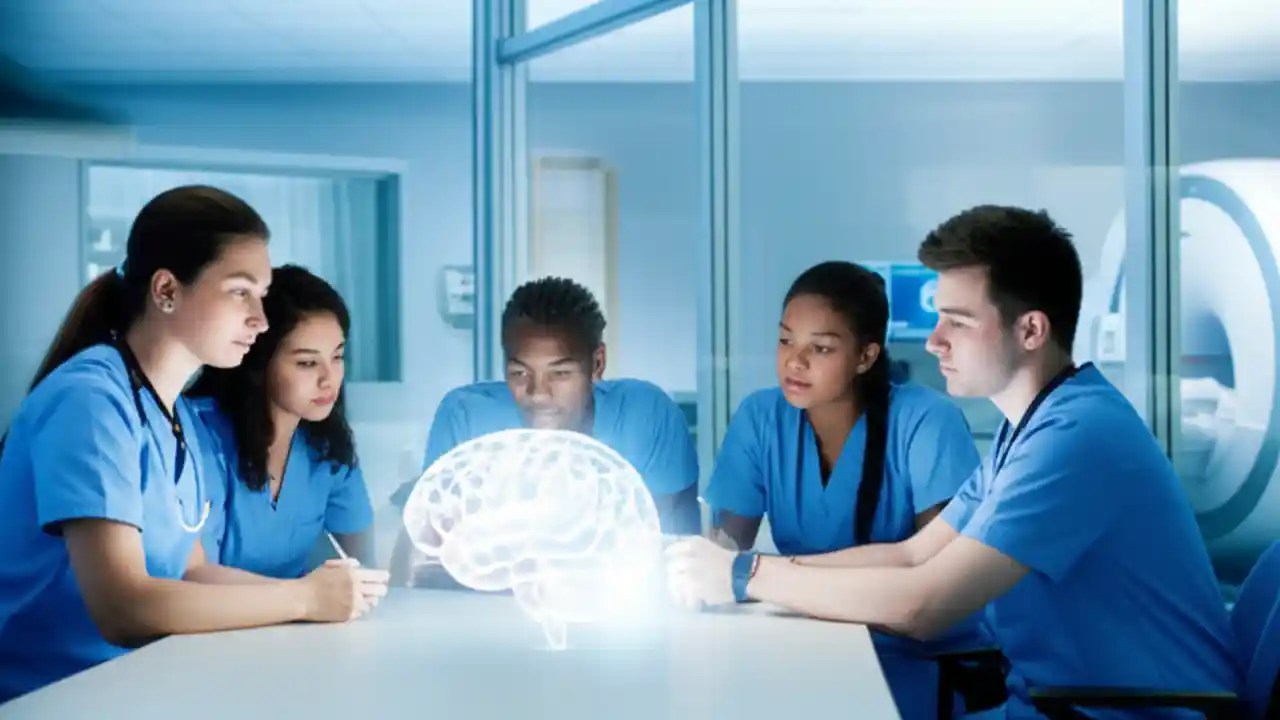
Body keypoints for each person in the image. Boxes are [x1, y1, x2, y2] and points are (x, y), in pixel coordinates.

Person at [667, 205, 1240, 718]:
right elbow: (911, 553)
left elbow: (926, 606)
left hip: (1128, 713)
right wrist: (742, 570)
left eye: (958, 322)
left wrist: (746, 575)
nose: (935, 340)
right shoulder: (1032, 430)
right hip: (1057, 703)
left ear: (1032, 329)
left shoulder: (1077, 438)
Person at [0, 186, 387, 704]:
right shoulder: (90, 401)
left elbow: (193, 570)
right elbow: (124, 608)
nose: (261, 319)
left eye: (262, 294)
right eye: (239, 292)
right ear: (166, 291)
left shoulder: (173, 414)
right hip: (46, 696)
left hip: (136, 683)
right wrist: (302, 598)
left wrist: (325, 593)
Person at [703, 260, 985, 720]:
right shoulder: (761, 418)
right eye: (785, 340)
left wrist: (758, 576)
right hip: (802, 638)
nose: (795, 361)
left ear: (866, 356)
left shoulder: (925, 422)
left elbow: (941, 577)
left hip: (913, 653)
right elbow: (727, 544)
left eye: (822, 348)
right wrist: (706, 559)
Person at [389, 276, 700, 587]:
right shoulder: (466, 416)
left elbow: (678, 555)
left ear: (597, 364)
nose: (538, 393)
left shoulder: (645, 417)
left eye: (561, 373)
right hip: (483, 612)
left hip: (617, 607)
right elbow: (418, 559)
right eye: (520, 373)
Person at [186, 264, 375, 579]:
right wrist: (308, 599)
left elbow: (366, 567)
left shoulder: (327, 448)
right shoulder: (198, 437)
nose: (329, 379)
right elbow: (195, 578)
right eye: (306, 363)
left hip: (292, 626)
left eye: (337, 357)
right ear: (258, 361)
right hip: (206, 625)